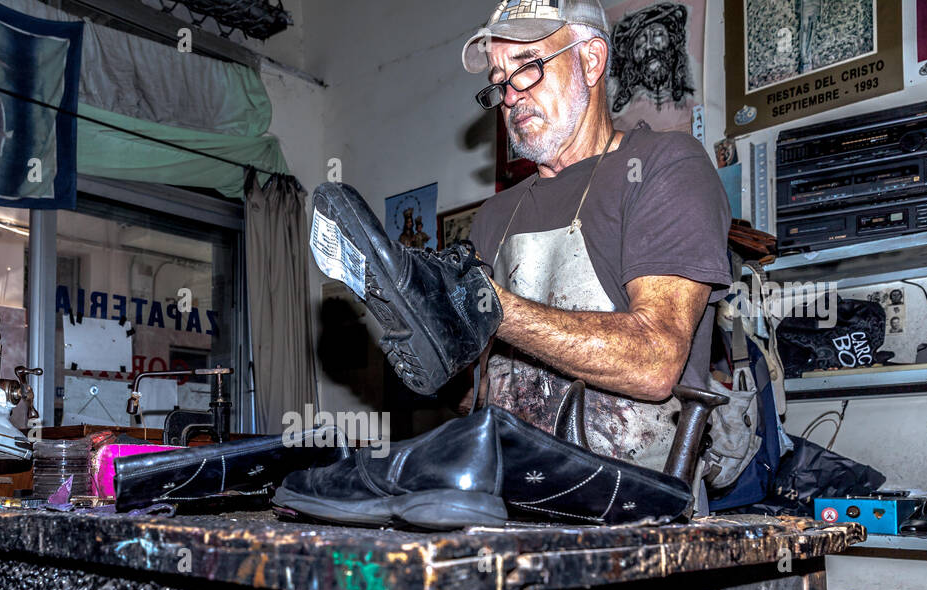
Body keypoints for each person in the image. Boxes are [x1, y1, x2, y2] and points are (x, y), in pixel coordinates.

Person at [310, 0, 731, 476]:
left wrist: (486, 305)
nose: (510, 96)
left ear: (591, 60)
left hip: (634, 503)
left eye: (527, 67)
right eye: (498, 82)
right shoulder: (496, 216)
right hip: (510, 490)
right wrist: (439, 341)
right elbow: (483, 393)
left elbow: (656, 361)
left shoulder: (665, 166)